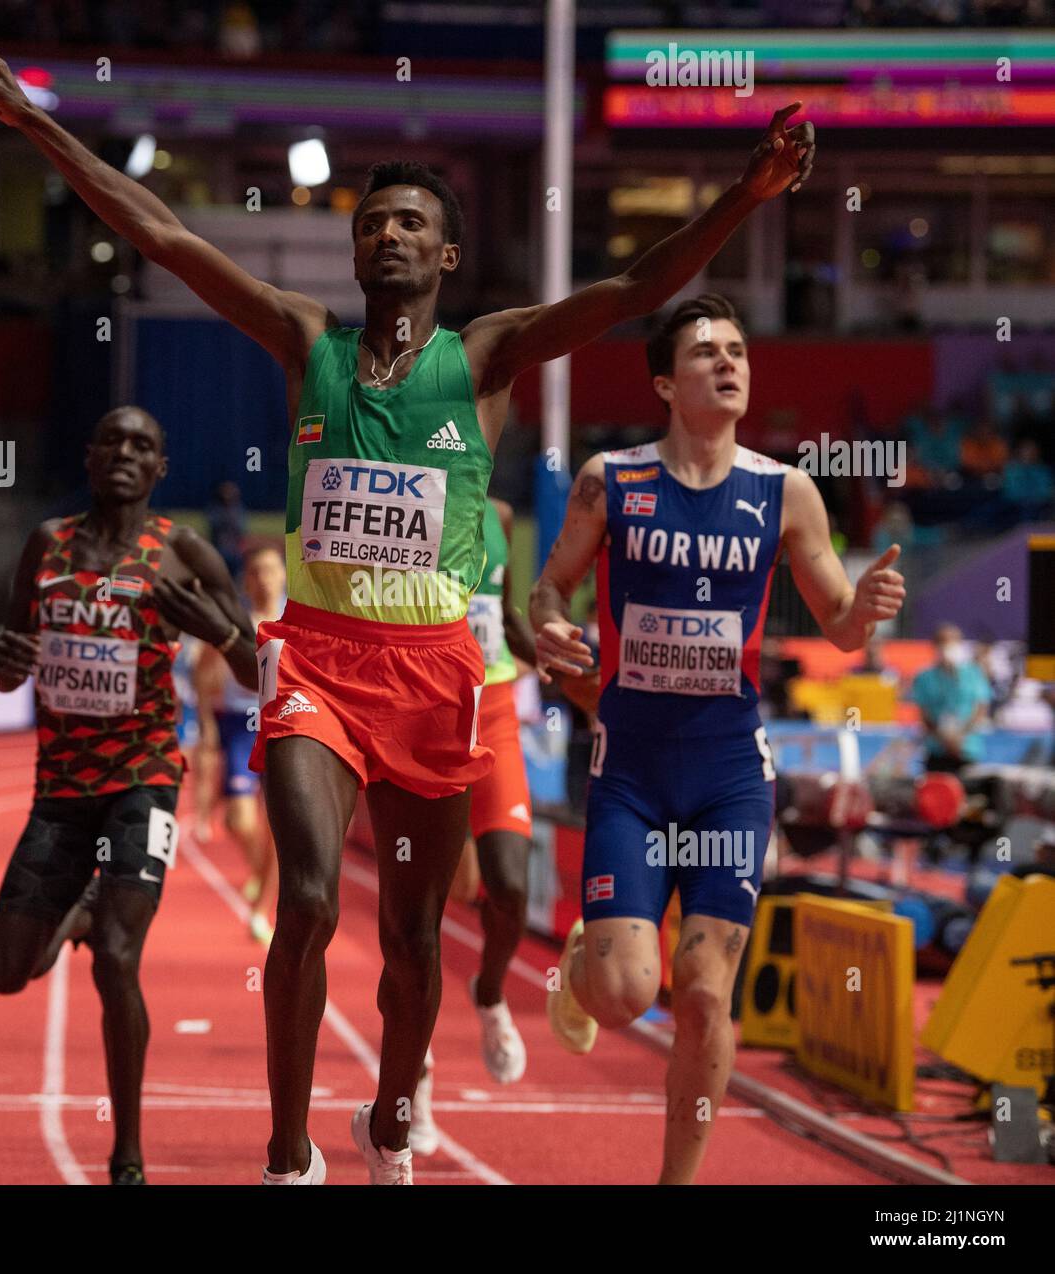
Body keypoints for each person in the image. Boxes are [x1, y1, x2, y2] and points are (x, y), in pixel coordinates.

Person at [0, 27, 814, 1184]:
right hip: (316, 662)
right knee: (308, 898)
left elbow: (631, 289)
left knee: (412, 941)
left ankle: (391, 1113)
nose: (389, 235)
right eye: (372, 223)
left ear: (446, 252)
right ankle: (285, 1149)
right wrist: (34, 124)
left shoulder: (488, 356)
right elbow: (160, 232)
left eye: (410, 222)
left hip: (434, 677)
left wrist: (745, 194)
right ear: (355, 251)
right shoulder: (304, 337)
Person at [531, 294, 905, 1184]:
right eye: (706, 353)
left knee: (702, 991)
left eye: (738, 349)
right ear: (665, 383)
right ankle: (586, 965)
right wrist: (548, 627)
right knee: (625, 994)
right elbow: (551, 587)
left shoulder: (785, 491)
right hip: (631, 773)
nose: (729, 362)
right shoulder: (611, 480)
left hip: (730, 774)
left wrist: (866, 611)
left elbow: (839, 624)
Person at [0, 406, 255, 1185]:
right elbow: (7, 664)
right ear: (90, 455)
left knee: (117, 958)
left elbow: (255, 669)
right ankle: (79, 908)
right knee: (6, 972)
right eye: (113, 441)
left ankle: (126, 1153)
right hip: (60, 789)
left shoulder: (183, 550)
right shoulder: (47, 543)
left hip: (144, 780)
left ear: (160, 467)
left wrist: (219, 631)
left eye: (143, 446)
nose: (126, 454)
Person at [410, 498, 538, 1156]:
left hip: (496, 711)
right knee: (421, 912)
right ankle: (416, 1078)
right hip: (426, 713)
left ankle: (488, 993)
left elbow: (504, 612)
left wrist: (556, 658)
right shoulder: (408, 494)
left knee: (510, 888)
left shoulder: (502, 515)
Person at [194, 543, 286, 943]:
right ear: (246, 580)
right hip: (239, 724)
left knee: (281, 829)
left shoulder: (295, 619)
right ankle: (260, 870)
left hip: (285, 724)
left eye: (271, 570)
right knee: (239, 821)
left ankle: (261, 912)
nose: (264, 579)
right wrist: (206, 722)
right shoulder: (236, 621)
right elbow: (203, 669)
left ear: (284, 575)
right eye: (256, 572)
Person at [911, 623, 991, 774]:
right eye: (942, 642)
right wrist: (944, 740)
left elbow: (981, 708)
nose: (947, 647)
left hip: (967, 749)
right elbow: (924, 714)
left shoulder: (974, 673)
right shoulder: (924, 677)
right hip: (936, 750)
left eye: (952, 642)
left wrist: (960, 737)